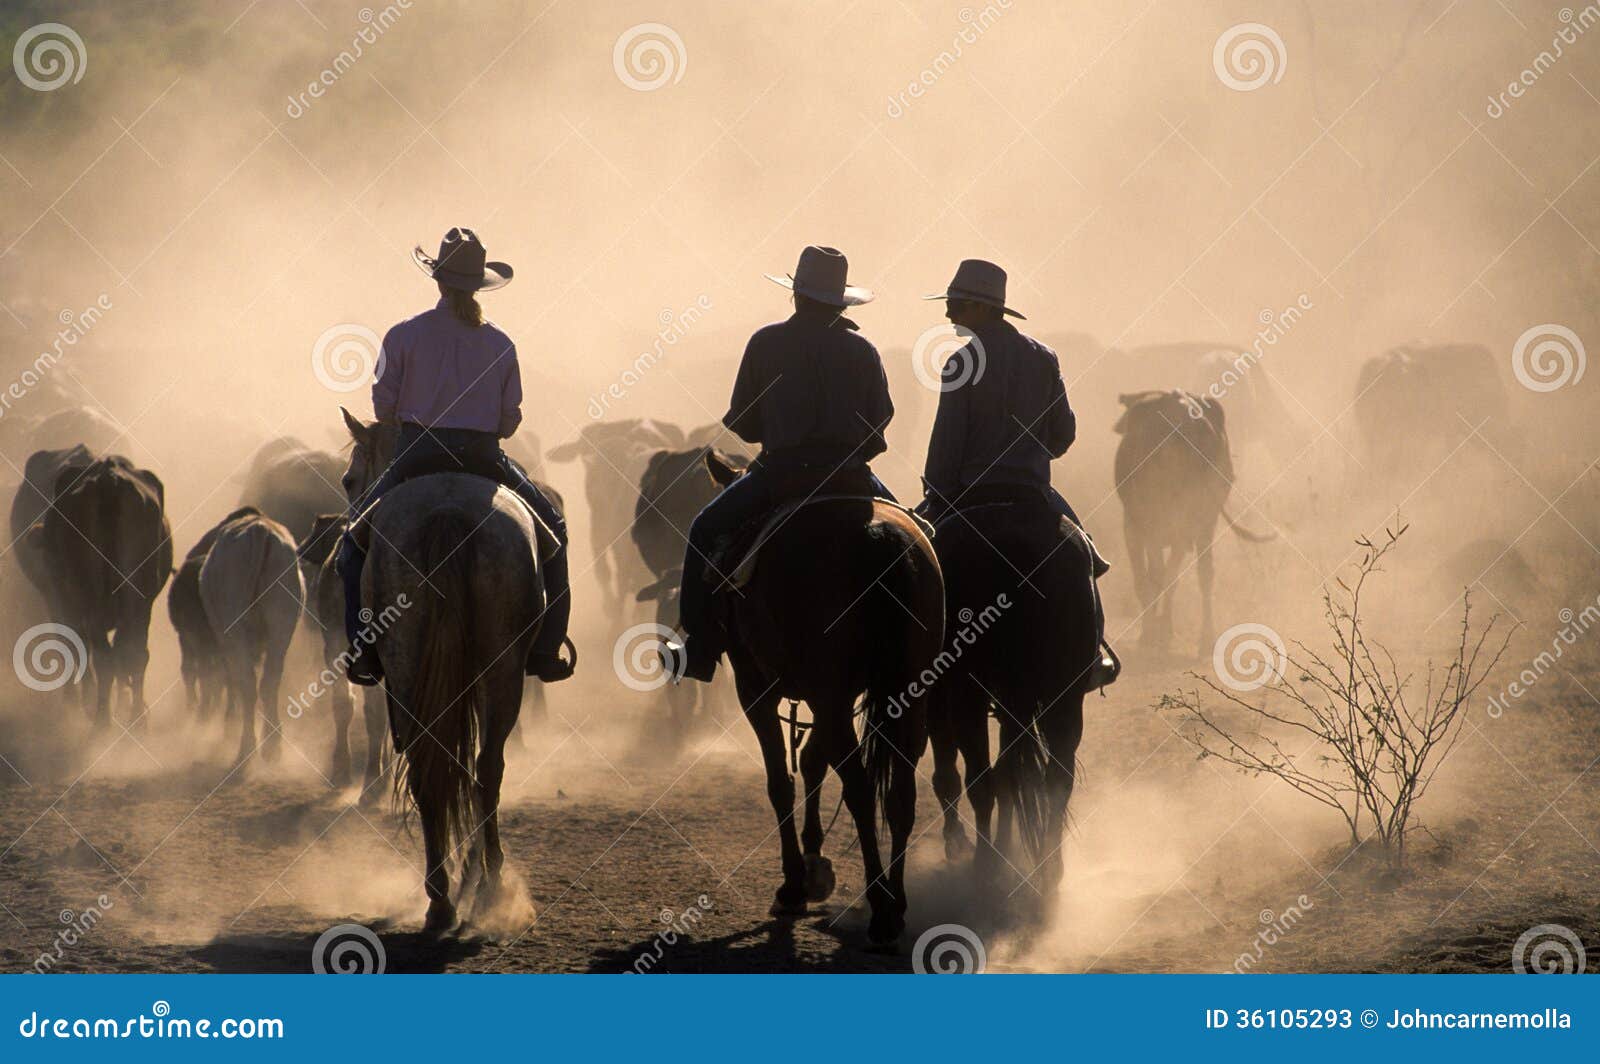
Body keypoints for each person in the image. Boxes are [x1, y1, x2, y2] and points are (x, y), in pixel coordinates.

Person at [338, 227, 573, 686]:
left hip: (416, 457)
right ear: (479, 285)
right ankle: (545, 650)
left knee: (351, 544)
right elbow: (508, 422)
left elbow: (384, 411)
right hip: (483, 459)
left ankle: (364, 649)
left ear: (438, 282)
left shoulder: (402, 335)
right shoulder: (501, 344)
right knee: (555, 537)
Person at [671, 245, 896, 683]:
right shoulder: (863, 351)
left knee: (702, 530)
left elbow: (742, 420)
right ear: (840, 300)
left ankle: (697, 649)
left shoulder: (766, 342)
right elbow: (879, 425)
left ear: (795, 294)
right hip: (850, 477)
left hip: (780, 477)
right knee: (920, 534)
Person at [918, 258, 1116, 682]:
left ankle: (919, 662)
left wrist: (936, 492)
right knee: (1084, 555)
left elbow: (946, 447)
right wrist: (1025, 452)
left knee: (915, 573)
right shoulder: (1043, 358)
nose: (948, 312)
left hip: (968, 498)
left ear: (980, 307)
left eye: (956, 303)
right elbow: (1062, 434)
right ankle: (1092, 650)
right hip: (1032, 495)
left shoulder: (959, 363)